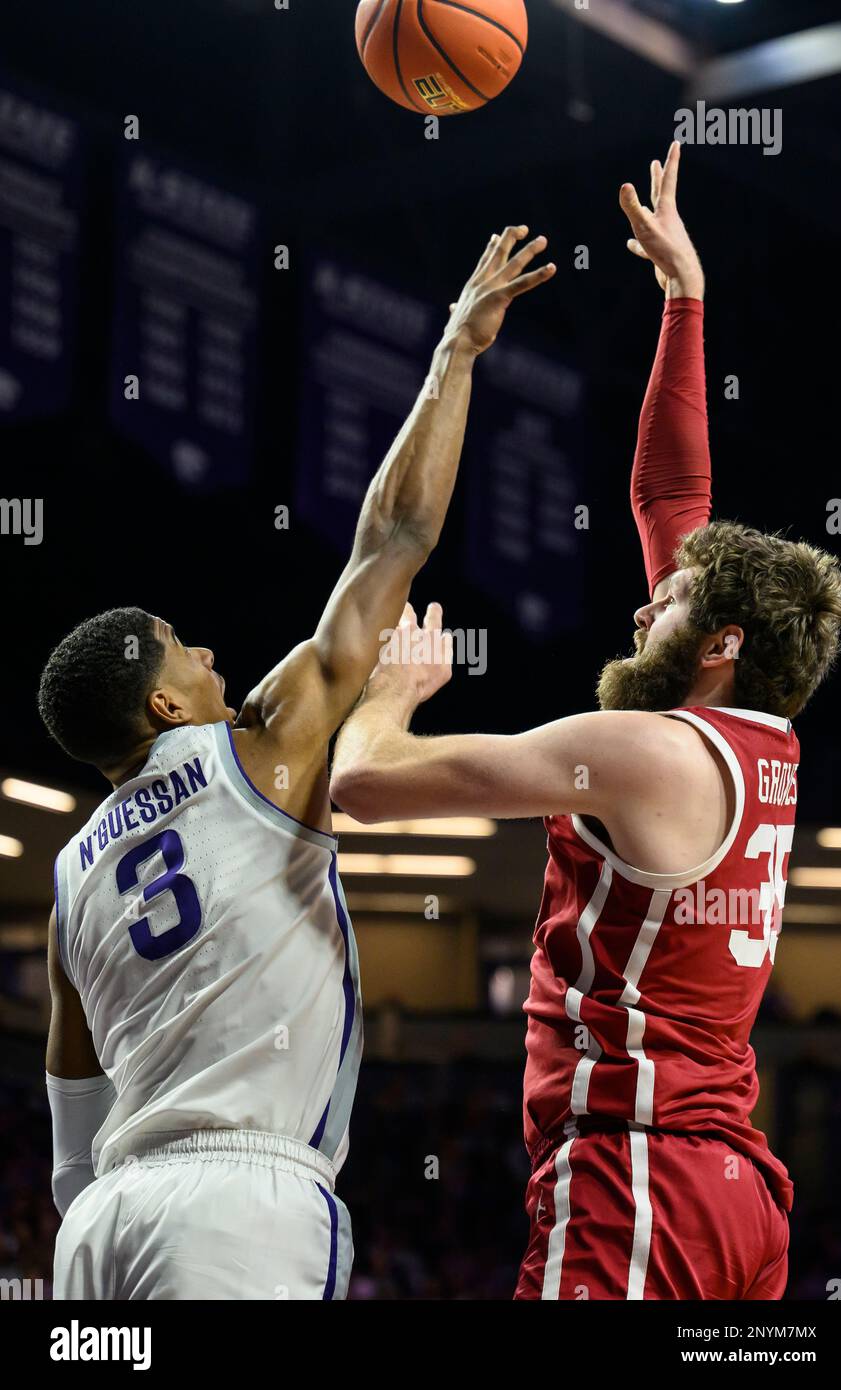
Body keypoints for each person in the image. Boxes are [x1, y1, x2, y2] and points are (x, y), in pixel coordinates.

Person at [330, 146, 841, 1300]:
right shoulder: (762, 738)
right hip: (736, 1201)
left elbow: (358, 790)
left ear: (717, 643)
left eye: (666, 598)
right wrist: (683, 296)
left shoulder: (642, 753)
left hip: (638, 1185)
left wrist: (389, 698)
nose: (641, 595)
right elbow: (670, 501)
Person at [38, 227, 556, 1300]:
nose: (213, 649)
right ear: (164, 702)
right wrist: (452, 356)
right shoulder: (258, 749)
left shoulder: (69, 882)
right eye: (187, 644)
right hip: (239, 1209)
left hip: (98, 1229)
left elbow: (71, 1145)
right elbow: (393, 538)